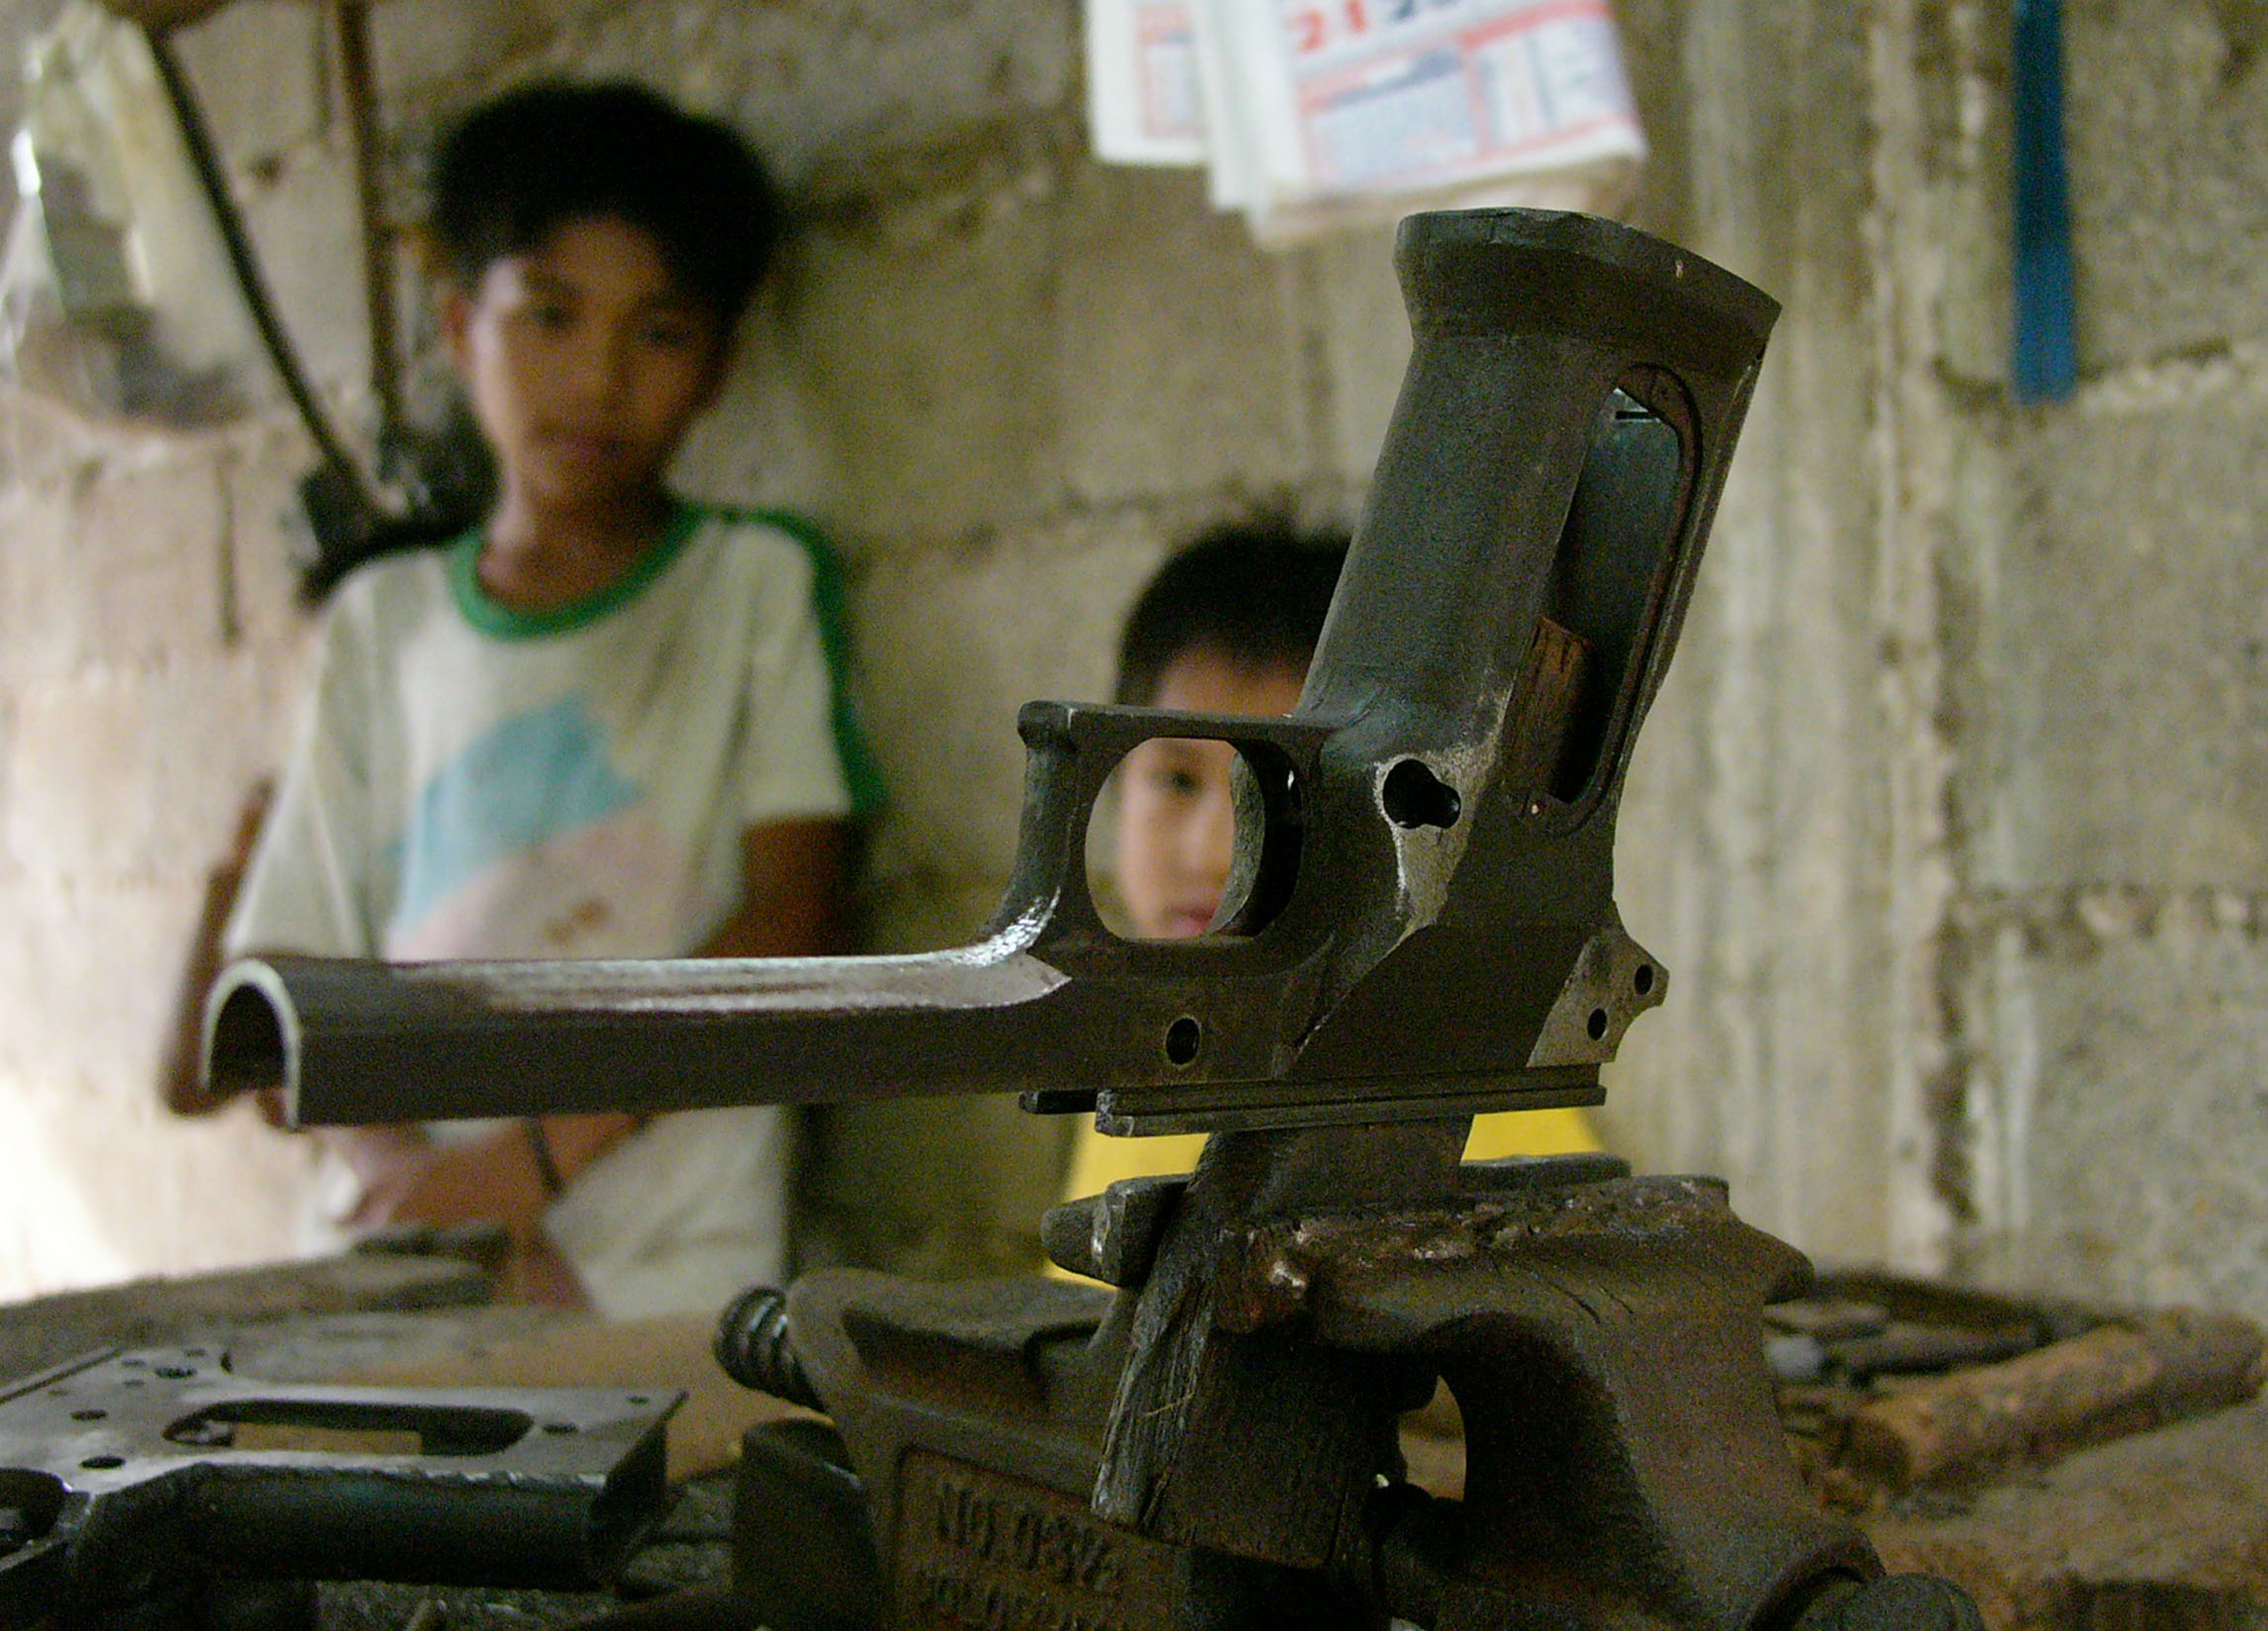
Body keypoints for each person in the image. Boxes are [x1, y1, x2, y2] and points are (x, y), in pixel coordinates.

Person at [178, 81, 880, 1317]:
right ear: (458, 328)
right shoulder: (380, 622)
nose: (597, 376)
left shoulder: (751, 587)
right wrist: (413, 1183)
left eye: (656, 332)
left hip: (671, 1269)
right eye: (548, 315)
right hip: (398, 1254)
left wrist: (529, 1165)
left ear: (717, 368)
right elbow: (286, 974)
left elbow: (794, 915)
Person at [1061, 518, 1599, 1205]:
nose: (1213, 853)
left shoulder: (1463, 1092)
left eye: (1279, 797)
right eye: (1177, 780)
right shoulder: (1122, 1052)